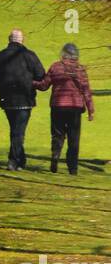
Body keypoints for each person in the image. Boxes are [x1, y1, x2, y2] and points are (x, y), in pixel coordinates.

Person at [0, 29, 45, 170]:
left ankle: (21, 160)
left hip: (7, 100)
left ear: (9, 40)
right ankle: (13, 161)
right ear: (22, 40)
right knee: (18, 131)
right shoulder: (30, 56)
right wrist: (33, 83)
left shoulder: (0, 56)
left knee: (15, 130)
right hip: (25, 99)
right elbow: (41, 74)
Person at [35, 42, 95, 176]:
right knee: (74, 138)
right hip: (75, 108)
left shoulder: (55, 67)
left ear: (63, 54)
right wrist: (91, 110)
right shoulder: (80, 70)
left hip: (58, 106)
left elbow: (44, 86)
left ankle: (55, 155)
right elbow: (86, 91)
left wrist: (32, 82)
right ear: (76, 56)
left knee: (57, 134)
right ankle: (72, 168)